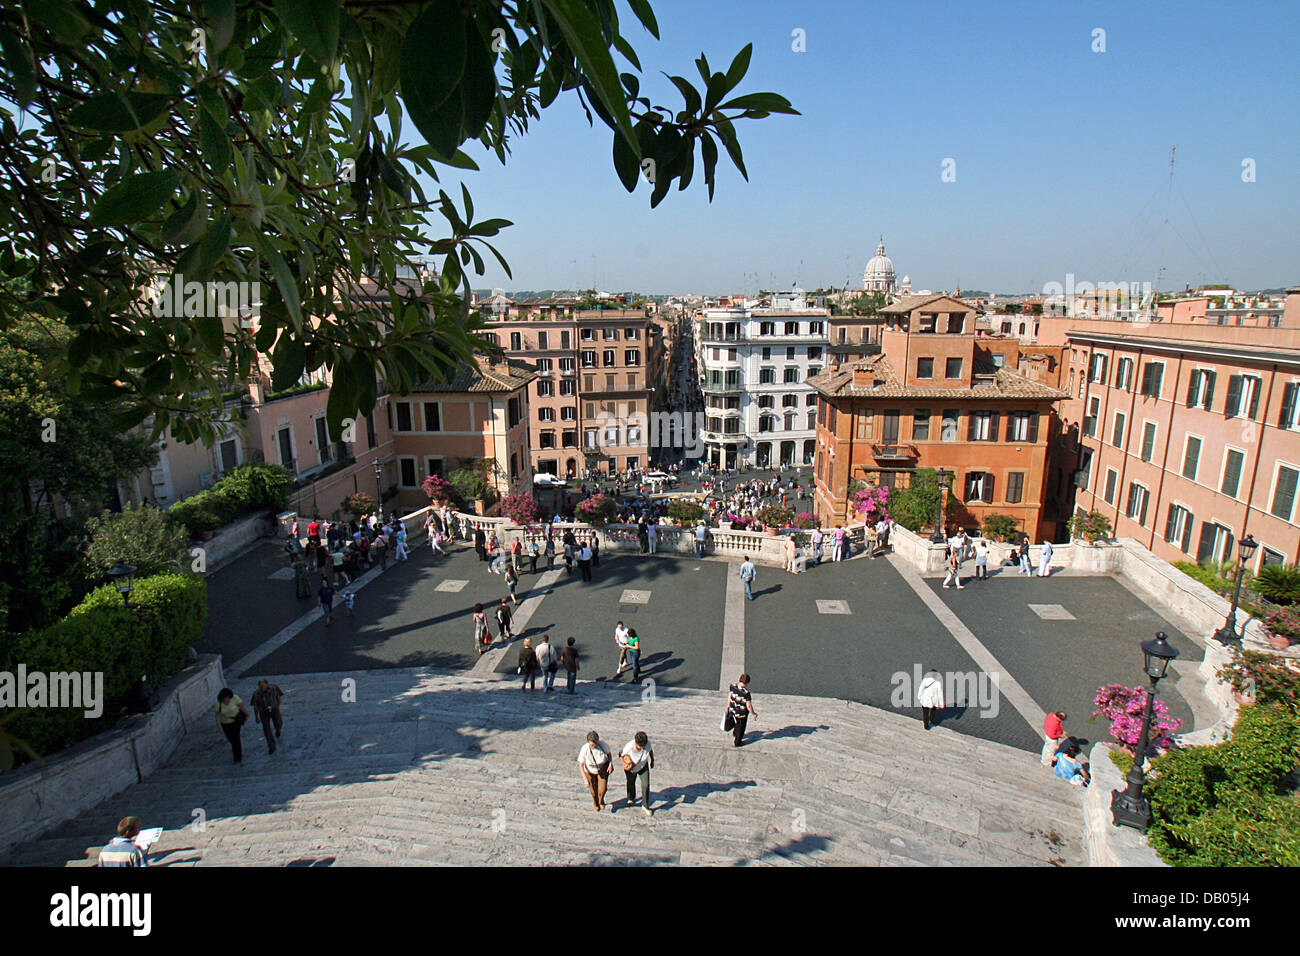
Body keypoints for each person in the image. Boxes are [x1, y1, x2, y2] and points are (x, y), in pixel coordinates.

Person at [621, 731, 654, 815]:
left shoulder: (647, 744)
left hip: (643, 766)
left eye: (643, 746)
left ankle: (645, 805)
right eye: (640, 747)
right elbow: (621, 755)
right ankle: (631, 797)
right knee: (631, 783)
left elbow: (650, 751)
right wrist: (624, 765)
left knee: (645, 785)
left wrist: (652, 760)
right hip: (631, 768)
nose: (642, 748)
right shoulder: (629, 746)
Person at [578, 730, 613, 812]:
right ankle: (596, 802)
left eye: (595, 743)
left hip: (602, 769)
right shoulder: (585, 749)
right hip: (589, 771)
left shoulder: (602, 745)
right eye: (592, 744)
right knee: (593, 791)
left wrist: (610, 763)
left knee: (603, 789)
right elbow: (580, 764)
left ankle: (601, 800)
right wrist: (584, 779)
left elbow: (609, 754)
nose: (594, 745)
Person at [250, 679, 285, 755]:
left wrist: (278, 705)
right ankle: (271, 746)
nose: (262, 687)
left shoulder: (274, 688)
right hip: (263, 711)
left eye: (263, 686)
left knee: (278, 722)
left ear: (267, 684)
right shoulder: (256, 694)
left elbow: (278, 697)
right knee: (266, 729)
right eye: (260, 686)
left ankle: (278, 729)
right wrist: (256, 716)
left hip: (274, 708)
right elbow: (255, 706)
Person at [215, 688, 249, 763]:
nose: (226, 699)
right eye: (224, 698)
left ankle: (237, 757)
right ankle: (235, 750)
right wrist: (219, 727)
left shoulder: (235, 698)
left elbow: (241, 706)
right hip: (225, 724)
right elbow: (217, 716)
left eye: (227, 698)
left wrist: (246, 714)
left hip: (235, 722)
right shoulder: (219, 704)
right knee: (230, 738)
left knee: (236, 738)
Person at [727, 673, 757, 747]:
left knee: (736, 722)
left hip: (733, 709)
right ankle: (738, 742)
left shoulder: (733, 686)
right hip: (741, 713)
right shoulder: (746, 693)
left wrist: (729, 705)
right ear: (747, 682)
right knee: (741, 727)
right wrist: (754, 713)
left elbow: (730, 696)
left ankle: (735, 733)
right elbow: (749, 706)